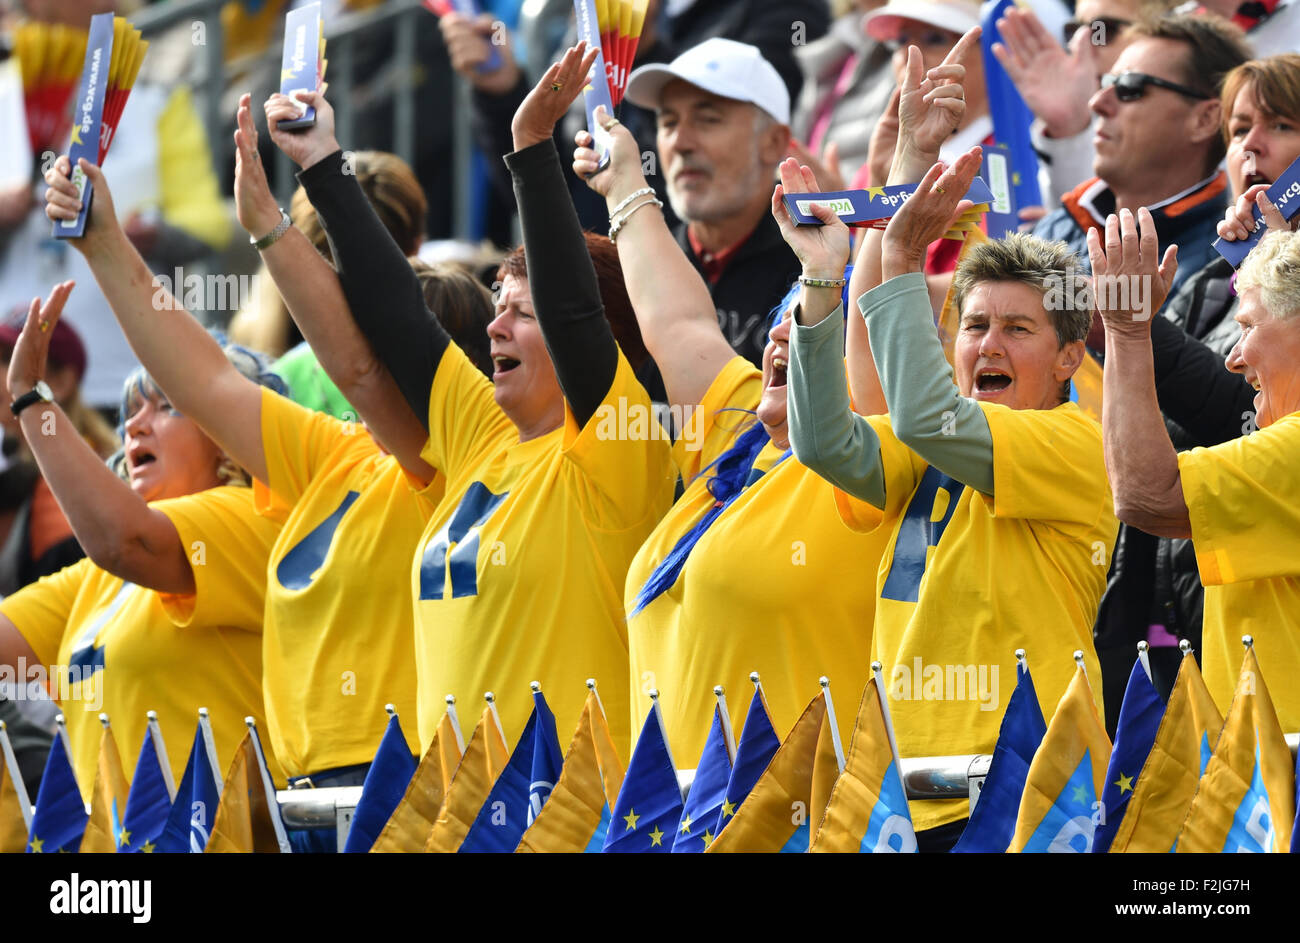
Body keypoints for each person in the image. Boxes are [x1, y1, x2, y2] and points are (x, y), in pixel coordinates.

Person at [41, 92, 496, 850]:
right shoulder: (337, 454)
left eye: (391, 352)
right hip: (300, 805)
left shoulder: (457, 464)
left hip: (404, 795)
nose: (359, 363)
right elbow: (205, 381)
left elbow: (353, 362)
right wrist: (105, 244)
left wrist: (275, 227)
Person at [282, 46, 674, 755]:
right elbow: (399, 311)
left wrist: (531, 152)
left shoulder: (620, 449)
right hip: (452, 816)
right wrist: (322, 162)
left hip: (569, 814)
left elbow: (575, 315)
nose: (495, 326)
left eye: (523, 313)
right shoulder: (478, 439)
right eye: (497, 305)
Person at [784, 79, 1118, 846]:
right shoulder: (926, 446)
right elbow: (824, 443)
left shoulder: (1078, 444)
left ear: (1071, 356)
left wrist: (900, 255)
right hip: (899, 805)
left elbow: (931, 417)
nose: (988, 345)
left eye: (1017, 328)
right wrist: (819, 277)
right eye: (972, 326)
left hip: (1028, 805)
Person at [572, 99, 892, 763]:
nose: (781, 330)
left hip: (802, 824)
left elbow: (882, 324)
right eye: (780, 316)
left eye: (805, 318)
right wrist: (626, 183)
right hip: (672, 824)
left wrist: (895, 201)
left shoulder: (865, 464)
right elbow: (678, 322)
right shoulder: (733, 436)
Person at [0, 282, 285, 802]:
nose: (134, 425)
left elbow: (124, 538)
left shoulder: (253, 517)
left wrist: (31, 400)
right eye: (132, 410)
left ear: (230, 431)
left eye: (166, 407)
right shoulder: (102, 574)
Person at [1091, 53, 1299, 720]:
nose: (1252, 147)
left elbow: (1233, 425)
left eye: (1282, 125)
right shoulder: (1205, 279)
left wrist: (1131, 330)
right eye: (1238, 131)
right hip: (1184, 625)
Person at [1031, 13, 1252, 314]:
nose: (1097, 102)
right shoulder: (1061, 223)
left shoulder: (1229, 263)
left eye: (1129, 87)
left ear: (1205, 119)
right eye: (1105, 82)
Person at [622, 38, 801, 369]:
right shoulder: (637, 265)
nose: (680, 142)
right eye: (668, 122)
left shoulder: (817, 271)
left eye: (708, 120)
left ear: (773, 142)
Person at [992, 0, 1179, 207]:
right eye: (1073, 30)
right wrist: (1068, 128)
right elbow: (1082, 227)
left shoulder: (1198, 115)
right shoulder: (1061, 131)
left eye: (1101, 31)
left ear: (1160, 33)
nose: (1081, 44)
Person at [0, 313, 116, 595]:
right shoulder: (23, 474)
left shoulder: (76, 476)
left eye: (9, 358)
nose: (6, 370)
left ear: (62, 382)